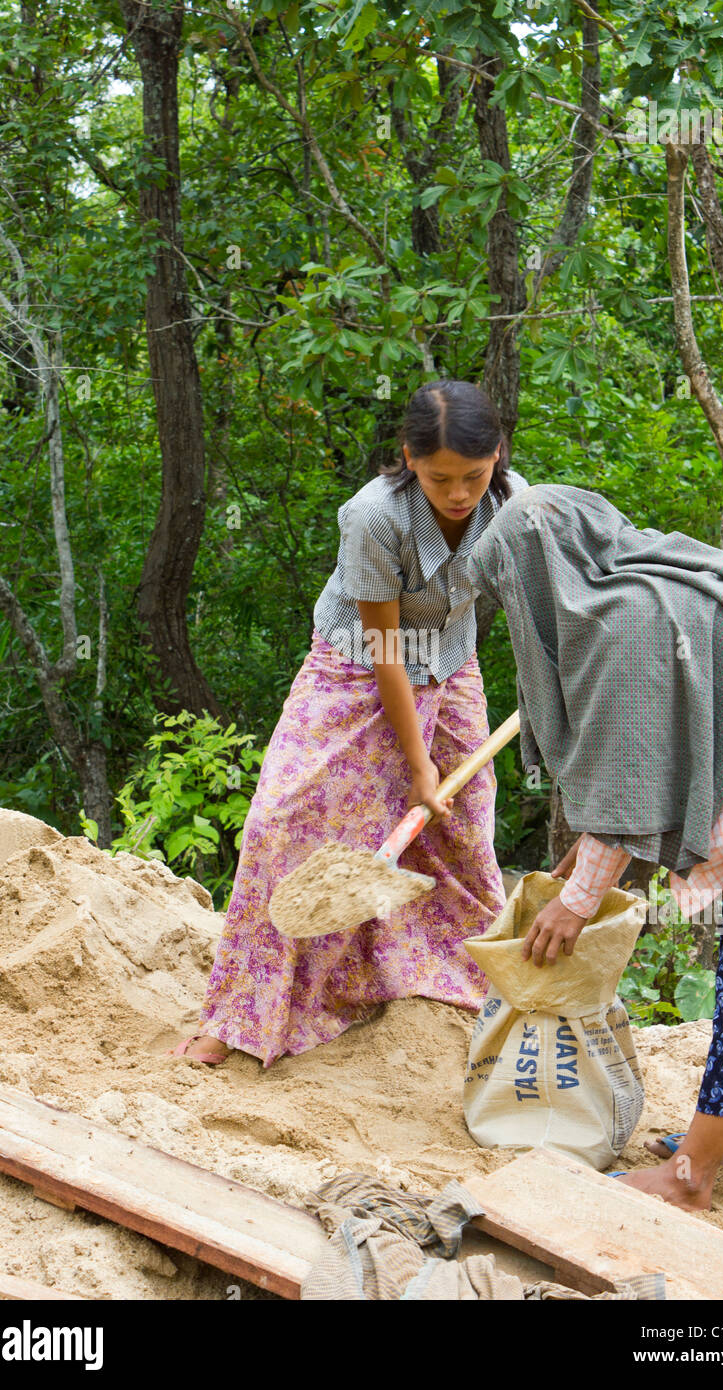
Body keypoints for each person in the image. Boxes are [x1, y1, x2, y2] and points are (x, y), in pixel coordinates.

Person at [467, 482, 723, 1211]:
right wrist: (584, 862)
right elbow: (651, 762)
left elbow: (630, 775)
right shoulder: (649, 581)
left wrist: (577, 900)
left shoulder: (623, 618)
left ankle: (691, 1177)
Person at [172, 380, 528, 1067]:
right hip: (359, 672)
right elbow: (387, 653)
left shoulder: (516, 502)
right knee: (282, 825)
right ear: (408, 459)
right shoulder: (373, 518)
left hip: (453, 665)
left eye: (474, 477)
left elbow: (545, 600)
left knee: (462, 835)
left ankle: (459, 986)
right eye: (440, 478)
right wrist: (419, 765)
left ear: (499, 458)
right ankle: (238, 1018)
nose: (459, 494)